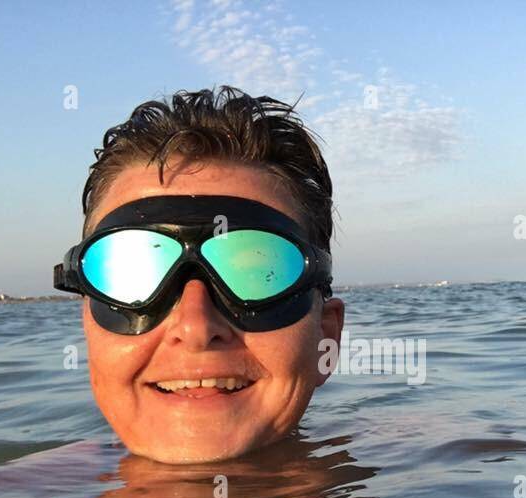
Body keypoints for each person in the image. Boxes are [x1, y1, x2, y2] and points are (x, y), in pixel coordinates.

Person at [54, 87, 345, 464]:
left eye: (258, 270)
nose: (194, 327)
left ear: (327, 338)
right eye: (135, 272)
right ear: (90, 328)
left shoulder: (431, 459)